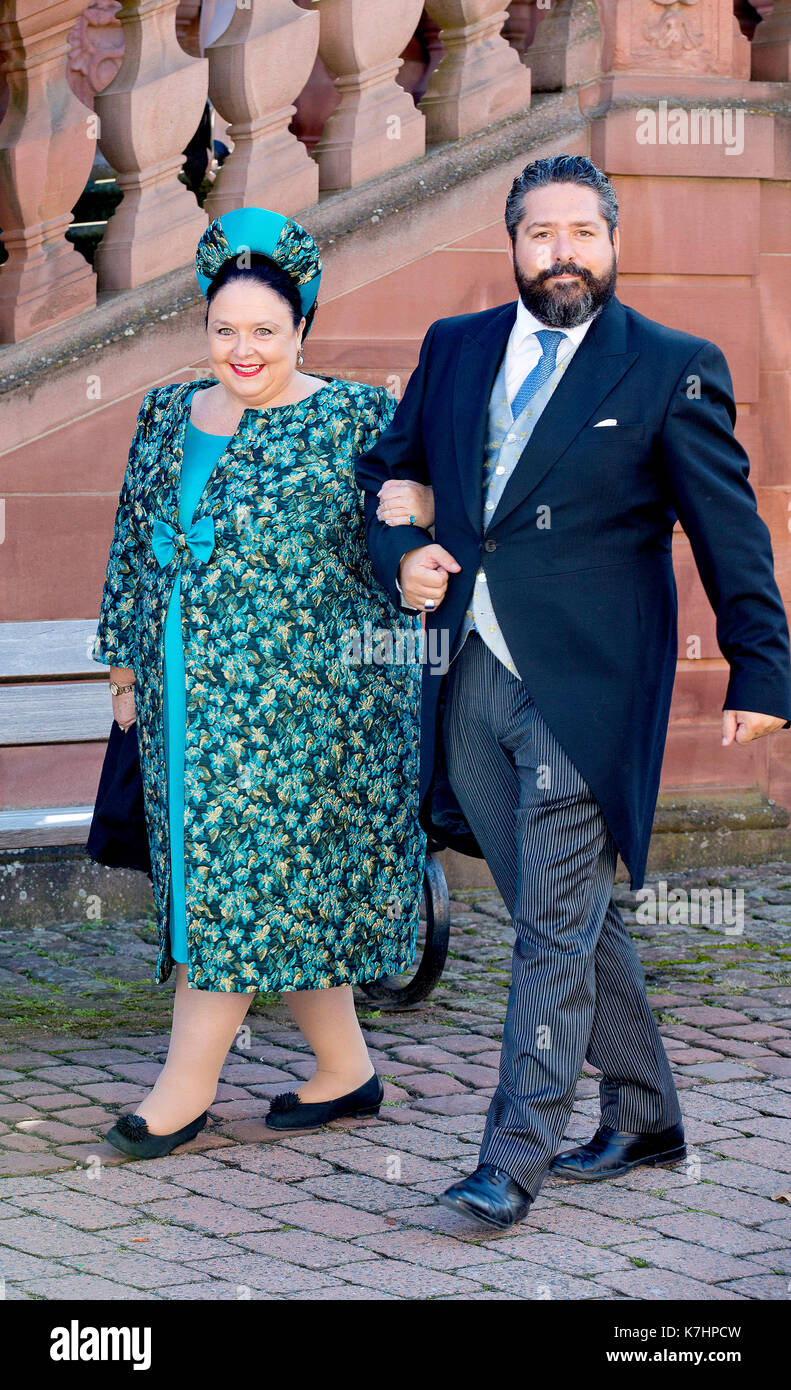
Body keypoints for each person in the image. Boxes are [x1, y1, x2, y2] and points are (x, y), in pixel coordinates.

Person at [356, 154, 791, 1230]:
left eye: (581, 233)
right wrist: (399, 545)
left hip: (588, 692)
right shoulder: (453, 350)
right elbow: (385, 471)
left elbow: (726, 530)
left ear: (610, 242)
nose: (562, 253)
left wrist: (762, 664)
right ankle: (645, 1113)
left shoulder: (669, 365)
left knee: (547, 931)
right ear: (509, 245)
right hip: (467, 680)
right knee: (567, 915)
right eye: (540, 233)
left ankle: (510, 1159)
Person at [92, 207, 431, 1158]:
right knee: (259, 884)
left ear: (302, 328)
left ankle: (183, 1089)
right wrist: (124, 671)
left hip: (307, 705)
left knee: (234, 889)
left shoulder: (360, 417)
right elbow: (132, 542)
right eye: (225, 330)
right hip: (179, 697)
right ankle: (345, 1070)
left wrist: (424, 519)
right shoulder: (166, 413)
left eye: (266, 332)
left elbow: (410, 525)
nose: (243, 350)